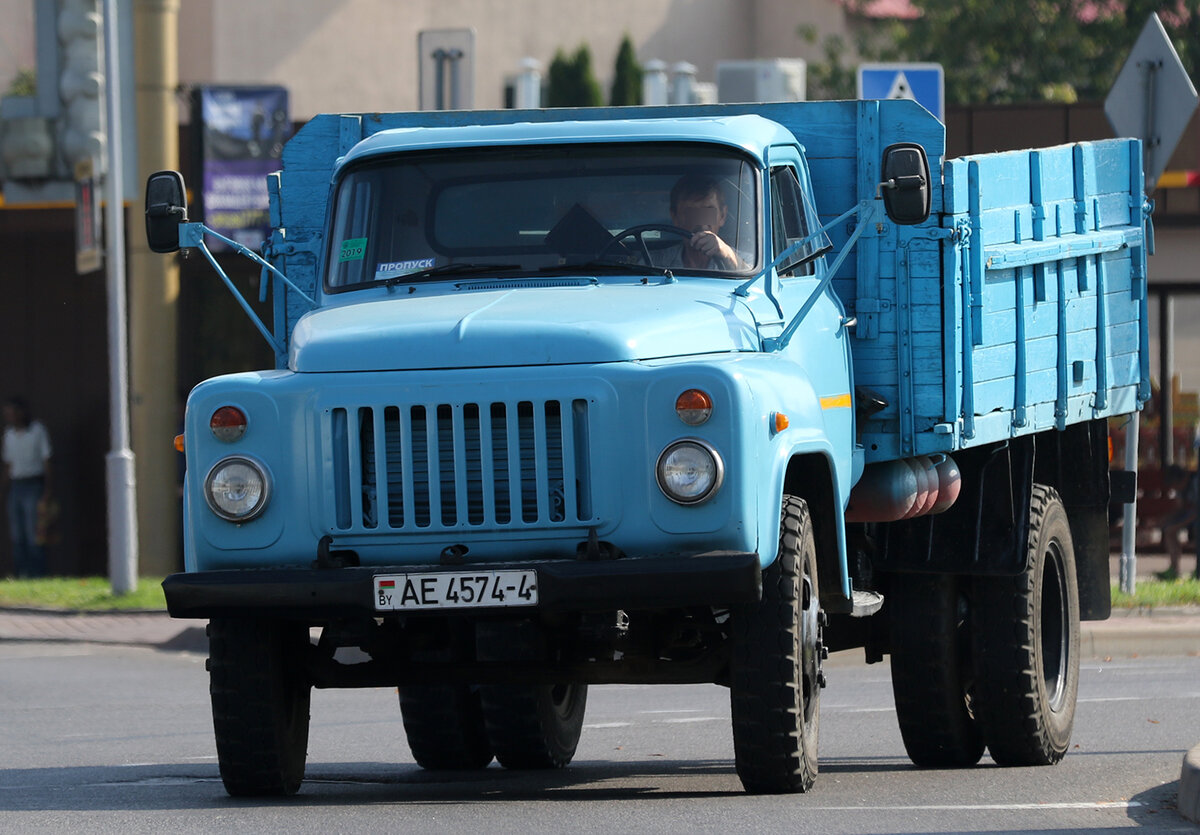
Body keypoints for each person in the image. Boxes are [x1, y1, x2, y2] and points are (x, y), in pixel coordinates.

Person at [2, 396, 53, 578]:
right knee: (18, 534)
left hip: (33, 484)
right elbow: (8, 465)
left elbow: (46, 460)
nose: (10, 416)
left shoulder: (37, 431)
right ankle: (21, 574)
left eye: (13, 412)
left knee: (34, 534)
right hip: (16, 486)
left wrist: (47, 490)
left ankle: (38, 574)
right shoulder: (8, 435)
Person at [660, 174, 747, 271]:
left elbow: (754, 278)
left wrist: (726, 254)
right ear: (675, 217)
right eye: (691, 213)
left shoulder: (749, 262)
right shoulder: (656, 262)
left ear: (722, 216)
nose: (701, 222)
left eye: (708, 212)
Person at [1158, 463, 1198, 581]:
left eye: (1175, 484)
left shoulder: (1196, 483)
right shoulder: (1181, 488)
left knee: (1196, 530)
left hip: (1196, 517)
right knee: (1168, 531)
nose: (1175, 488)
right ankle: (1174, 569)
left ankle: (1198, 569)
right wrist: (1165, 520)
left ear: (1183, 478)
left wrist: (1177, 525)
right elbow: (1180, 509)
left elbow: (1196, 512)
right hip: (1192, 516)